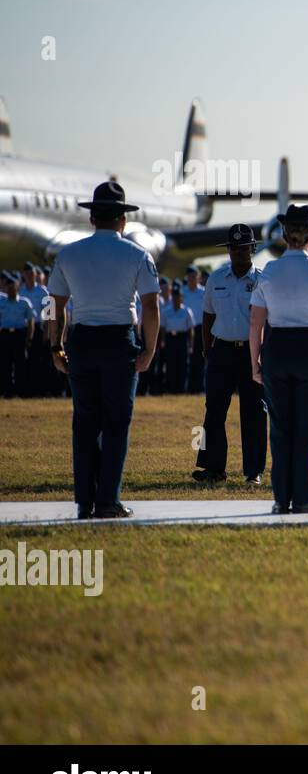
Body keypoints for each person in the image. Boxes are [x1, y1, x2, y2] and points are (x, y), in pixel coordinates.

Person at [46, 180, 160, 519]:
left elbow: (55, 304)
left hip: (82, 342)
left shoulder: (68, 254)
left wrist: (56, 345)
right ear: (122, 221)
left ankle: (85, 500)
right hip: (118, 342)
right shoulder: (138, 255)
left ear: (92, 218)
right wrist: (149, 349)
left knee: (84, 422)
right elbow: (151, 306)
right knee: (116, 423)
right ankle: (107, 499)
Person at [249, 204, 308, 515]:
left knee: (280, 428)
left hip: (277, 349)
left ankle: (281, 498)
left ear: (285, 235)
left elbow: (256, 324)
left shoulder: (269, 271)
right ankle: (303, 497)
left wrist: (255, 363)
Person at [193, 223, 267, 485]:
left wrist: (262, 354)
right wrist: (206, 350)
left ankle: (254, 471)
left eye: (243, 247)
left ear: (253, 249)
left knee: (254, 412)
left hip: (251, 351)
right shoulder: (216, 278)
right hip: (221, 350)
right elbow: (208, 315)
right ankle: (213, 468)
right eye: (233, 247)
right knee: (213, 410)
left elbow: (268, 319)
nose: (237, 252)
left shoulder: (262, 279)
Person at [0, 271, 35, 398]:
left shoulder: (24, 303)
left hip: (19, 335)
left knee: (20, 364)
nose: (11, 290)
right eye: (8, 288)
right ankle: (8, 391)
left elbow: (31, 321)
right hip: (5, 335)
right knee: (5, 364)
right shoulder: (1, 303)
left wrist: (29, 338)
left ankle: (21, 390)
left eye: (13, 287)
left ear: (17, 288)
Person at [17, 262, 49, 396]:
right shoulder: (21, 291)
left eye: (32, 274)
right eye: (27, 274)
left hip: (39, 327)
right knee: (23, 360)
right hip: (24, 328)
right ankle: (25, 390)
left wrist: (46, 334)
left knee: (37, 359)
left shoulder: (43, 291)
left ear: (36, 275)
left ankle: (38, 390)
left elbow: (49, 315)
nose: (29, 276)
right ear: (23, 275)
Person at [160, 282, 194, 393]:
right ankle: (171, 388)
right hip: (170, 339)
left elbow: (190, 330)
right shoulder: (166, 311)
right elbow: (163, 329)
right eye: (174, 296)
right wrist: (163, 341)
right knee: (170, 364)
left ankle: (181, 389)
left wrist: (191, 345)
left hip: (182, 338)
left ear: (181, 298)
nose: (176, 299)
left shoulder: (186, 311)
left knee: (182, 364)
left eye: (178, 296)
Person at [183, 265, 206, 394]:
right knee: (187, 359)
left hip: (200, 329)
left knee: (199, 359)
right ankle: (188, 388)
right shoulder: (183, 291)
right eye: (190, 277)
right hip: (186, 329)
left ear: (198, 278)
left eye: (194, 277)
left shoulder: (203, 292)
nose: (192, 279)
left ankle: (199, 387)